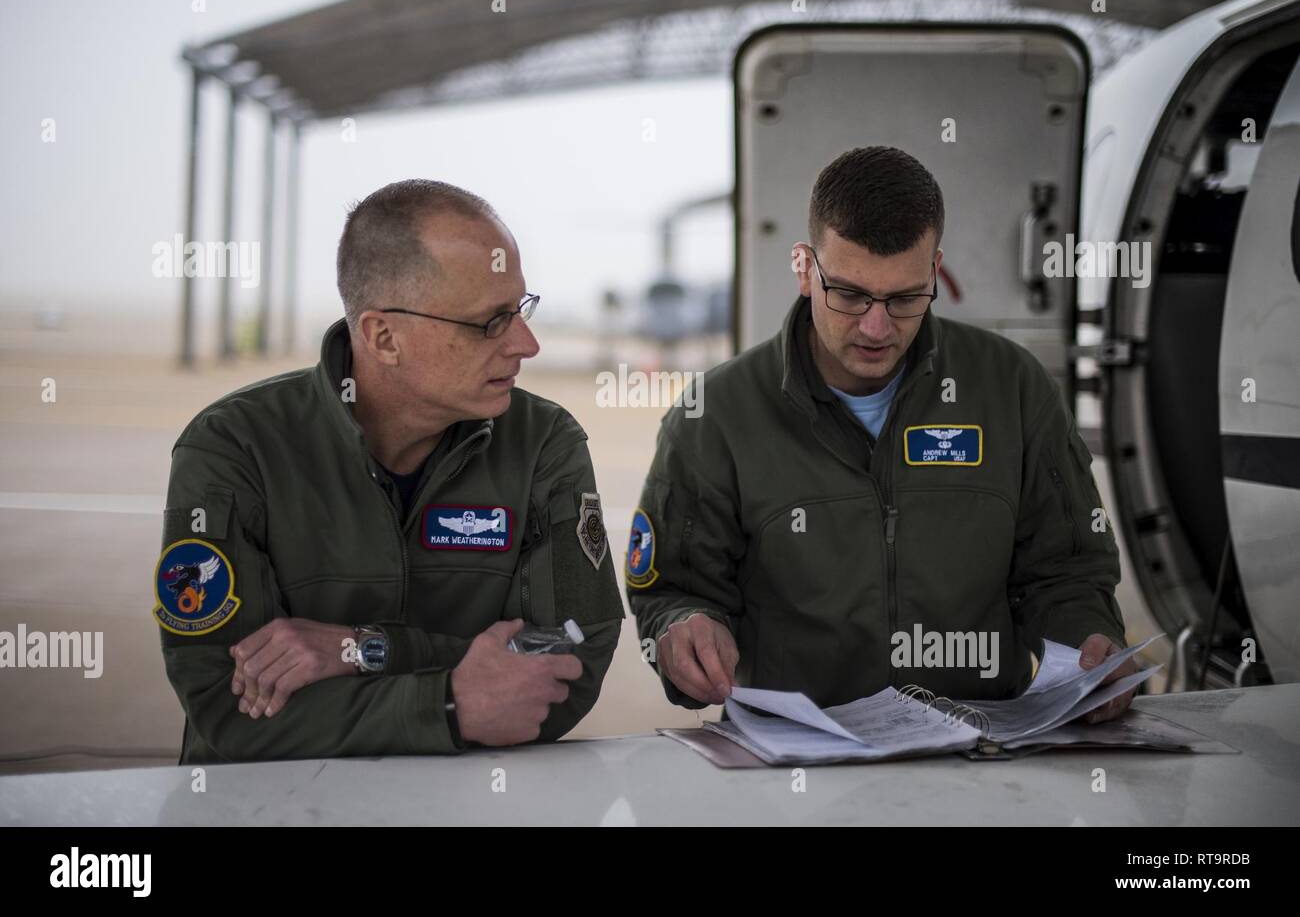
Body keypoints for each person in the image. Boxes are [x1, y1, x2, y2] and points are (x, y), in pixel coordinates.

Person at [628, 146, 1136, 721]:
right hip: (796, 765)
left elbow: (1067, 570)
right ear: (804, 268)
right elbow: (671, 587)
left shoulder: (1014, 388)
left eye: (905, 298)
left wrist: (1090, 640)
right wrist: (681, 629)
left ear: (935, 270)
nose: (876, 327)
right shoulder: (714, 414)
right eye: (848, 294)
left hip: (979, 755)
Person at [154, 180, 623, 762]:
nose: (526, 344)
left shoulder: (543, 443)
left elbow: (570, 661)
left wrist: (365, 649)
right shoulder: (234, 448)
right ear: (383, 337)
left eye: (522, 310)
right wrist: (451, 704)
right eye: (490, 322)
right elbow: (232, 707)